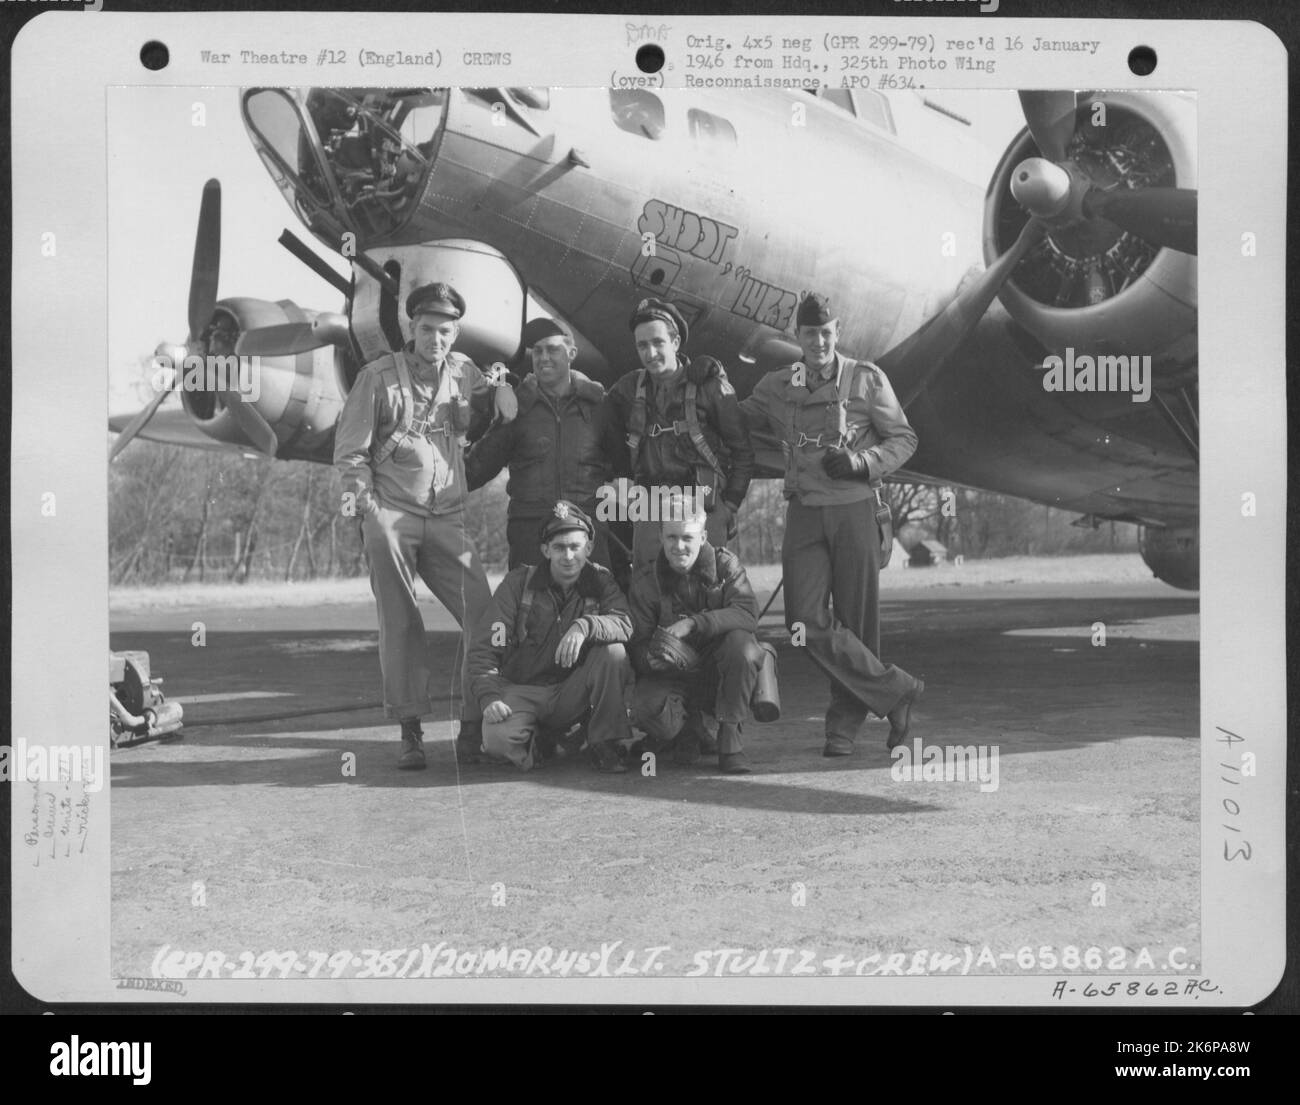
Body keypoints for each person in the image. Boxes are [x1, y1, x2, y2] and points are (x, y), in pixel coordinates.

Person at [334, 281, 516, 770]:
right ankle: (410, 729)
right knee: (401, 622)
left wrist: (503, 385)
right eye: (427, 328)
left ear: (456, 333)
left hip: (447, 516)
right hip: (390, 513)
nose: (436, 338)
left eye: (445, 330)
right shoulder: (377, 378)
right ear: (411, 328)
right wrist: (365, 509)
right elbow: (350, 454)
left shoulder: (464, 372)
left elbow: (496, 393)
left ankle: (473, 725)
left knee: (485, 618)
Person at [740, 293, 924, 757]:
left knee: (857, 624)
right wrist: (710, 385)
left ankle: (842, 727)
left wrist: (863, 461)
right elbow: (736, 417)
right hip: (804, 512)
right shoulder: (777, 384)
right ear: (797, 336)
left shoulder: (866, 379)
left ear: (837, 332)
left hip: (854, 508)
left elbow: (904, 438)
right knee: (804, 619)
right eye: (809, 333)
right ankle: (895, 690)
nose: (818, 341)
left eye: (826, 333)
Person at [467, 501, 635, 775]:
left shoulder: (601, 581)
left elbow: (624, 622)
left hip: (571, 689)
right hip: (523, 689)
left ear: (589, 548)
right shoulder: (517, 585)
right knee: (497, 740)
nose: (568, 556)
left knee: (613, 653)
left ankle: (605, 741)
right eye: (559, 547)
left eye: (575, 547)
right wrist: (489, 697)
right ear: (545, 550)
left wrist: (585, 625)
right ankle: (538, 741)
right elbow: (487, 647)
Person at [600, 297, 754, 569]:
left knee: (707, 589)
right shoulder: (626, 390)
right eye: (642, 345)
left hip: (702, 501)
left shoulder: (711, 387)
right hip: (649, 504)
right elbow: (602, 418)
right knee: (647, 590)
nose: (650, 353)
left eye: (658, 342)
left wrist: (729, 505)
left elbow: (742, 451)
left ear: (675, 342)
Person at [628, 495, 766, 774]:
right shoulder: (646, 581)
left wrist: (693, 623)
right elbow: (637, 642)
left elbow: (748, 614)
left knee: (743, 646)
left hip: (717, 672)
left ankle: (730, 742)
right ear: (661, 536)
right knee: (644, 707)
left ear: (703, 537)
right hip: (671, 673)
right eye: (672, 537)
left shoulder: (726, 566)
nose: (679, 546)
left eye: (687, 538)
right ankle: (686, 732)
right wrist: (648, 659)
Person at [465, 317, 613, 569]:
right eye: (538, 350)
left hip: (587, 532)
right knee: (527, 606)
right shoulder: (516, 408)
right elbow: (472, 472)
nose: (543, 357)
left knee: (597, 607)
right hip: (530, 536)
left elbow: (630, 464)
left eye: (553, 349)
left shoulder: (600, 406)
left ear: (572, 353)